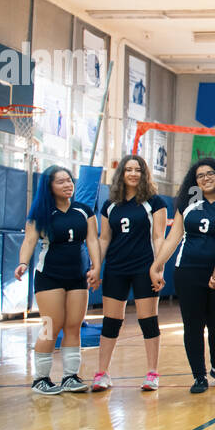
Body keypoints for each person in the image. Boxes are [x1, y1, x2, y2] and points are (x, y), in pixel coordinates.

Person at [151, 157, 215, 394]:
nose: (206, 178)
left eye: (210, 173)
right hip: (188, 271)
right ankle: (199, 375)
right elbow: (173, 237)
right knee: (193, 326)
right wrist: (156, 265)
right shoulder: (188, 203)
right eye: (200, 175)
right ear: (194, 180)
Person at [15, 165, 99, 394]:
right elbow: (29, 241)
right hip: (50, 277)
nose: (67, 185)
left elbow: (93, 240)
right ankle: (40, 379)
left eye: (69, 180)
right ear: (50, 186)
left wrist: (96, 267)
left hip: (77, 277)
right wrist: (23, 262)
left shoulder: (84, 211)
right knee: (50, 326)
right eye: (61, 181)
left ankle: (70, 377)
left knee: (73, 326)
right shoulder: (41, 213)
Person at [92, 154, 166, 391]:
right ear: (121, 173)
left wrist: (158, 268)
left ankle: (152, 373)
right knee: (110, 322)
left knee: (148, 321)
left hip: (144, 268)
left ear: (144, 174)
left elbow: (158, 238)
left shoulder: (154, 202)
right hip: (116, 268)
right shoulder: (109, 205)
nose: (133, 174)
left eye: (138, 170)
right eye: (129, 170)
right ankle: (102, 373)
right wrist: (96, 267)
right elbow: (104, 239)